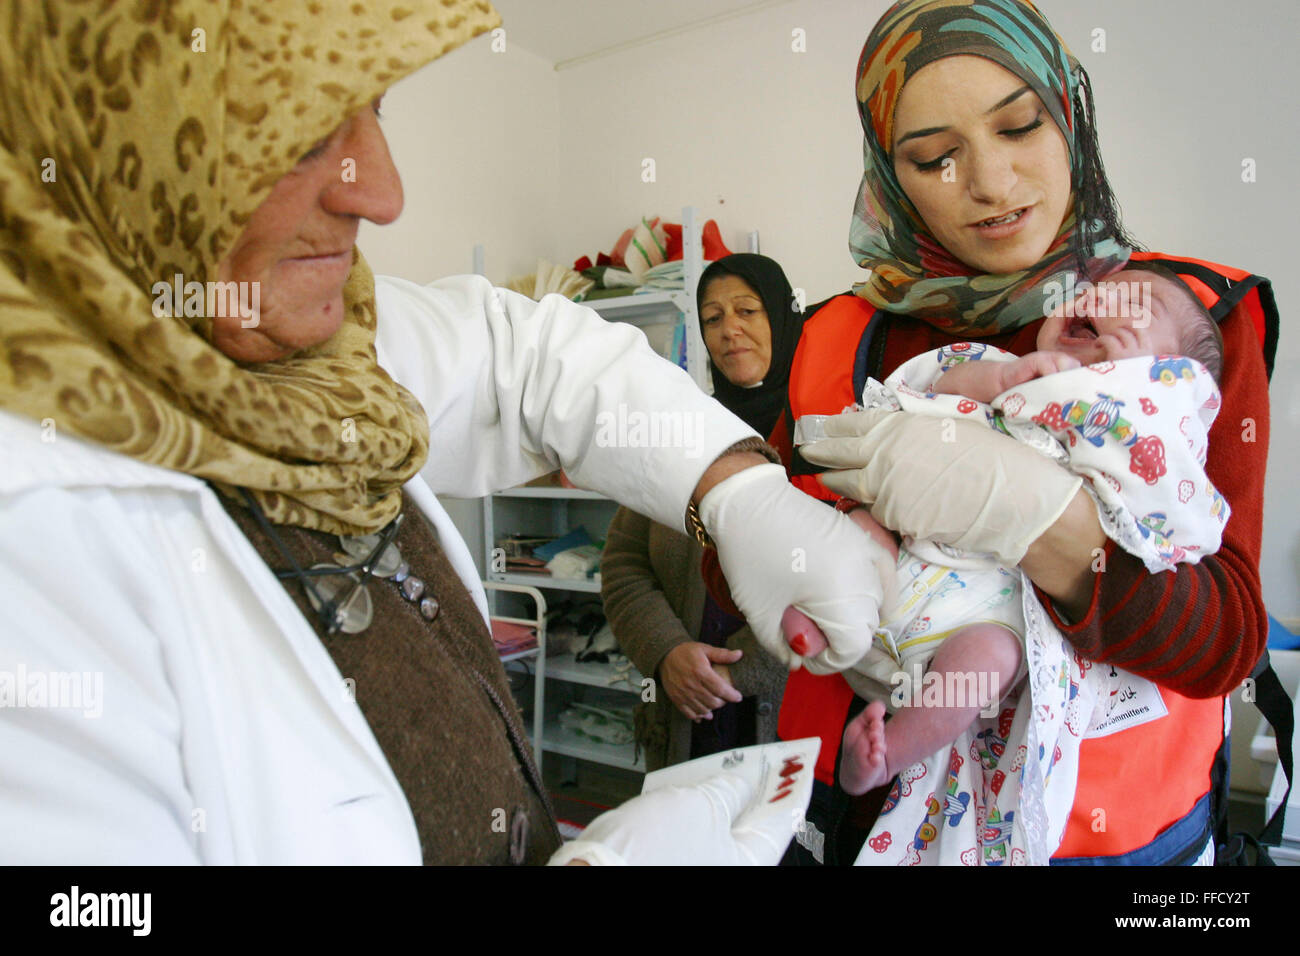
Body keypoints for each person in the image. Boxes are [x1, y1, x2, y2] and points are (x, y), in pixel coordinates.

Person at [0, 0, 890, 865]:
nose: (383, 193)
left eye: (375, 109)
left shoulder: (332, 346)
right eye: (304, 132)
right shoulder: (35, 551)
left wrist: (732, 488)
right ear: (116, 138)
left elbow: (528, 356)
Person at [707, 0, 1274, 865]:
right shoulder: (838, 335)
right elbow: (735, 548)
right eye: (934, 157)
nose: (994, 185)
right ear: (889, 174)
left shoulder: (1181, 325)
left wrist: (1049, 530)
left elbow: (1226, 641)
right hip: (857, 817)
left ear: (1071, 120)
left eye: (1020, 127)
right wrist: (764, 530)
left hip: (1119, 847)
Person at [803, 264, 1229, 806]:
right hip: (900, 548)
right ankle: (815, 620)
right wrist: (1005, 382)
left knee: (992, 660)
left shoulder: (1147, 434)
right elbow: (942, 383)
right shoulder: (1004, 367)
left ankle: (887, 754)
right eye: (1100, 291)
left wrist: (1062, 520)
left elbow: (1203, 587)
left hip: (977, 610)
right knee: (850, 534)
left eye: (1138, 307)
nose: (1107, 299)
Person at [602, 255, 800, 771]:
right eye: (713, 318)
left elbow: (850, 586)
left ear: (781, 316)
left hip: (789, 719)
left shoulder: (826, 431)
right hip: (684, 709)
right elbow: (624, 562)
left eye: (747, 311)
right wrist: (667, 652)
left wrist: (742, 672)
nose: (730, 330)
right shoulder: (681, 429)